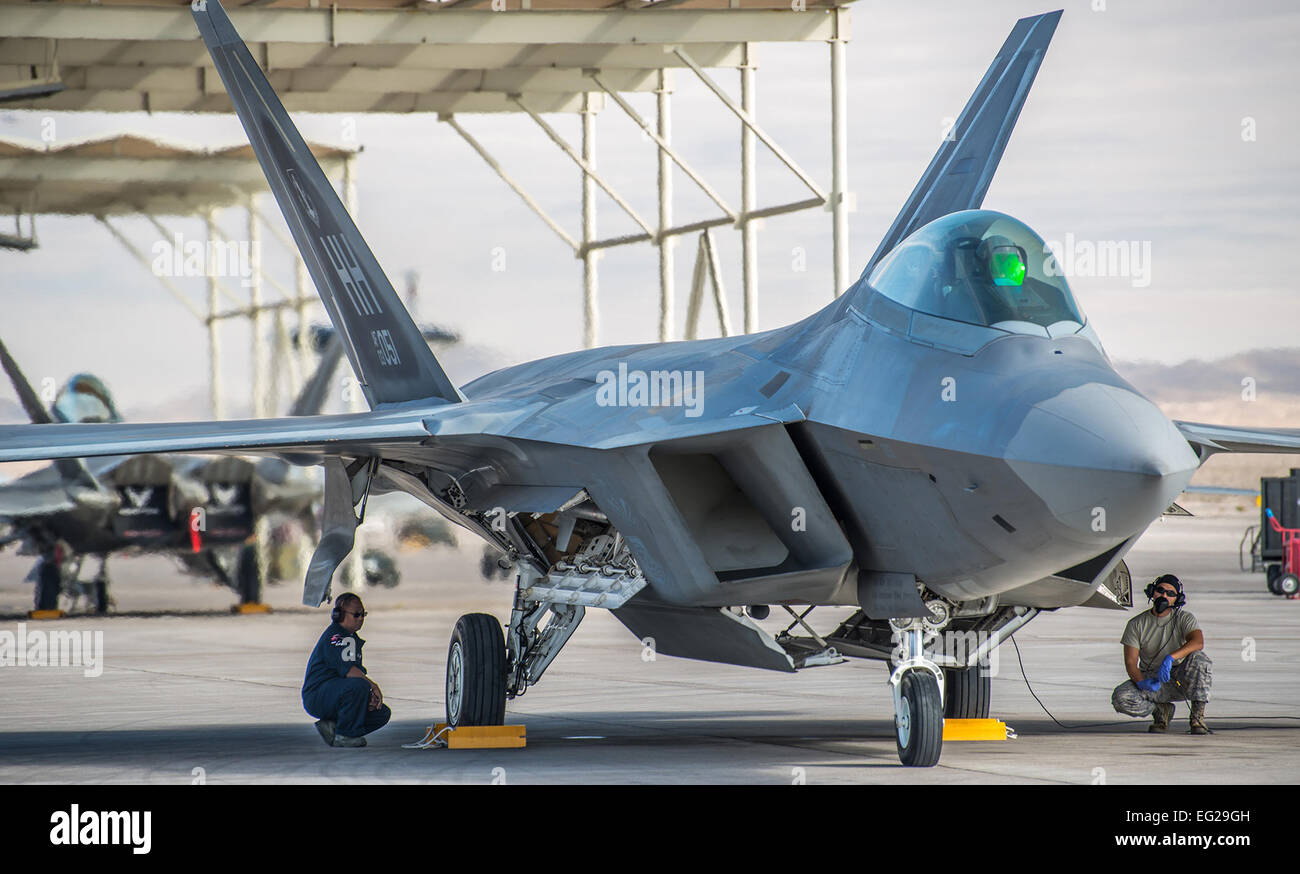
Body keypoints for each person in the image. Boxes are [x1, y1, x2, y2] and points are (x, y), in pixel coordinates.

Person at [1111, 574, 1212, 734]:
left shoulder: (1184, 618)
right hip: (1154, 680)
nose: (1164, 596)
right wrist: (1141, 682)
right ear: (1152, 592)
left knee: (1200, 659)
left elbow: (1198, 642)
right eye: (1160, 590)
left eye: (1170, 593)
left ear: (1177, 600)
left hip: (1182, 679)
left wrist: (1171, 658)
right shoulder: (1136, 624)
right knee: (1120, 697)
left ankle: (1197, 717)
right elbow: (1131, 662)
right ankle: (1160, 711)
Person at [302, 592, 391, 747]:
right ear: (339, 615)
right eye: (356, 614)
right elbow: (349, 671)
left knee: (381, 713)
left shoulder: (351, 638)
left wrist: (366, 698)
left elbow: (354, 674)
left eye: (363, 614)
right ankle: (345, 735)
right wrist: (372, 686)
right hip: (318, 695)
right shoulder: (337, 637)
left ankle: (333, 726)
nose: (361, 618)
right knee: (359, 685)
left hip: (337, 693)